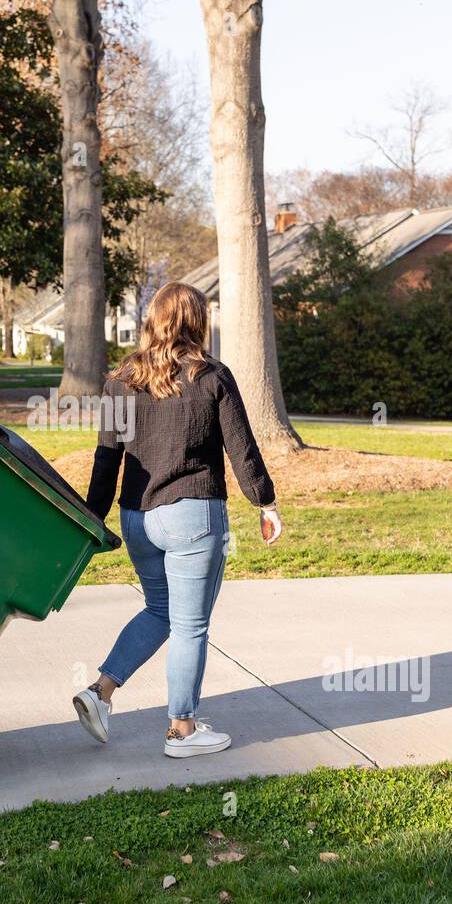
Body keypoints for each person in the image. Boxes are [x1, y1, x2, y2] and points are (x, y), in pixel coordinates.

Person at [75, 281, 282, 758]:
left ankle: (100, 693)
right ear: (197, 321)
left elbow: (107, 459)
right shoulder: (210, 375)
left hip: (137, 519)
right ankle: (182, 731)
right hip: (193, 515)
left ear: (153, 319)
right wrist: (265, 503)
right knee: (189, 626)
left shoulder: (120, 380)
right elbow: (241, 448)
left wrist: (91, 517)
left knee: (159, 611)